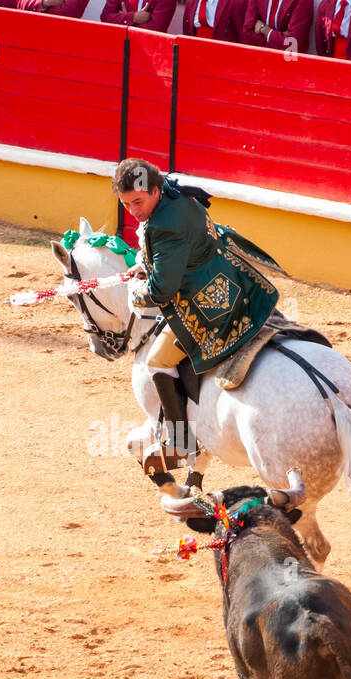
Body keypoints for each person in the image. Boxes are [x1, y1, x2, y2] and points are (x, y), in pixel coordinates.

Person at [114, 158, 279, 469]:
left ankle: (180, 442)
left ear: (154, 190)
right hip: (232, 280)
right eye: (126, 204)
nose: (133, 211)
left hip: (206, 305)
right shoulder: (179, 195)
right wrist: (149, 264)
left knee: (156, 361)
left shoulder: (163, 227)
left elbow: (162, 291)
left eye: (137, 201)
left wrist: (136, 292)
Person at [241, 0, 313, 53]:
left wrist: (265, 30)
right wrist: (281, 38)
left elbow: (293, 44)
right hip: (259, 59)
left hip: (288, 63)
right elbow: (247, 34)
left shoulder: (303, 1)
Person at [183, 0, 249, 42]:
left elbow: (244, 38)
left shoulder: (237, 2)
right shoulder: (191, 2)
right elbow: (186, 32)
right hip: (196, 55)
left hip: (224, 56)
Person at [100, 0, 176, 31]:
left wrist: (121, 20)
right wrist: (133, 18)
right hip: (117, 47)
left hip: (148, 54)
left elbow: (156, 29)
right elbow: (105, 17)